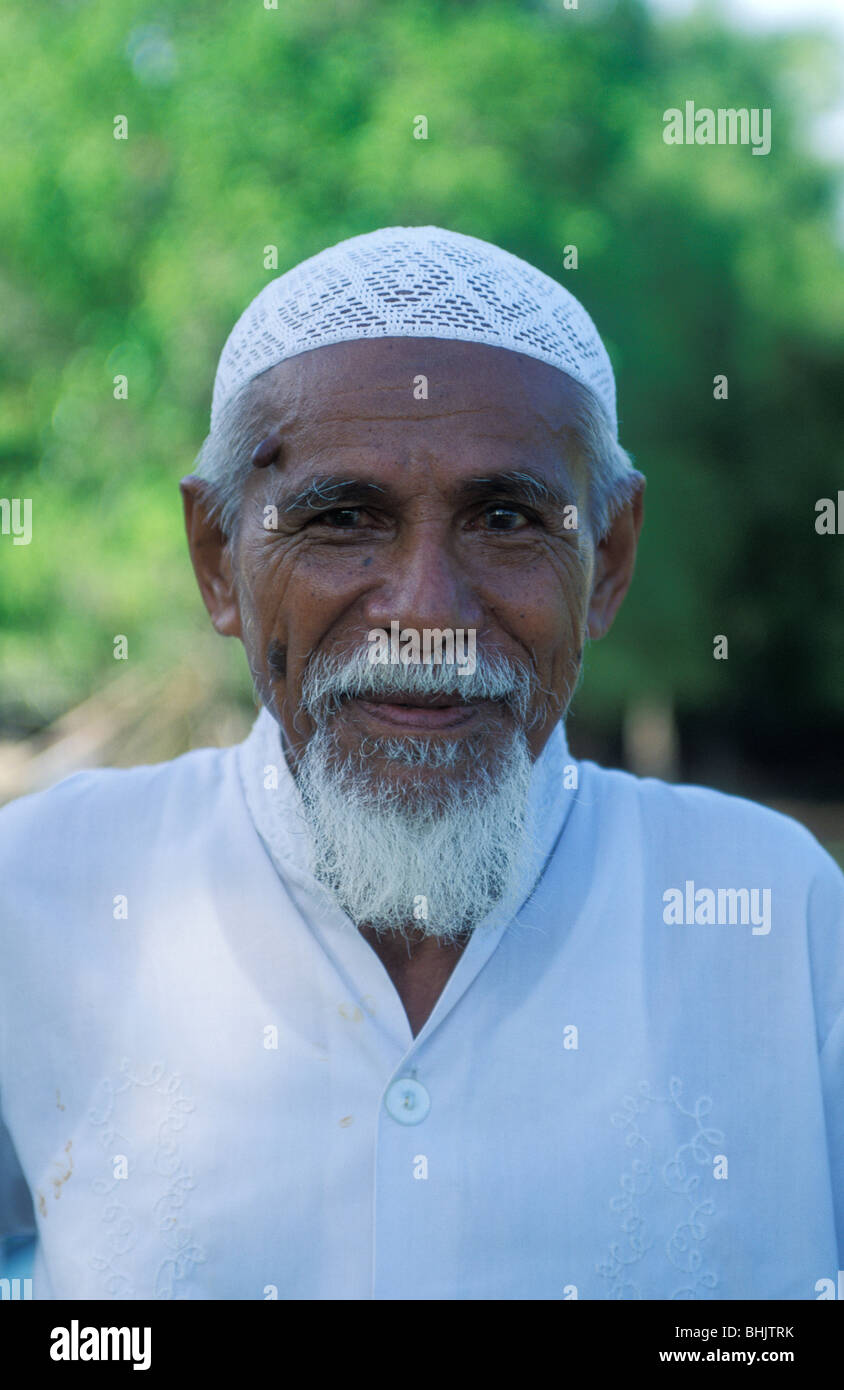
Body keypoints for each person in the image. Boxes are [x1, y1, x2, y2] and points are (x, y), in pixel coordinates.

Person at [0, 226, 841, 1300]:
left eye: (505, 518)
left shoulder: (777, 914)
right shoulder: (39, 892)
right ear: (218, 559)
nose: (426, 614)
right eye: (344, 518)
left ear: (609, 559)